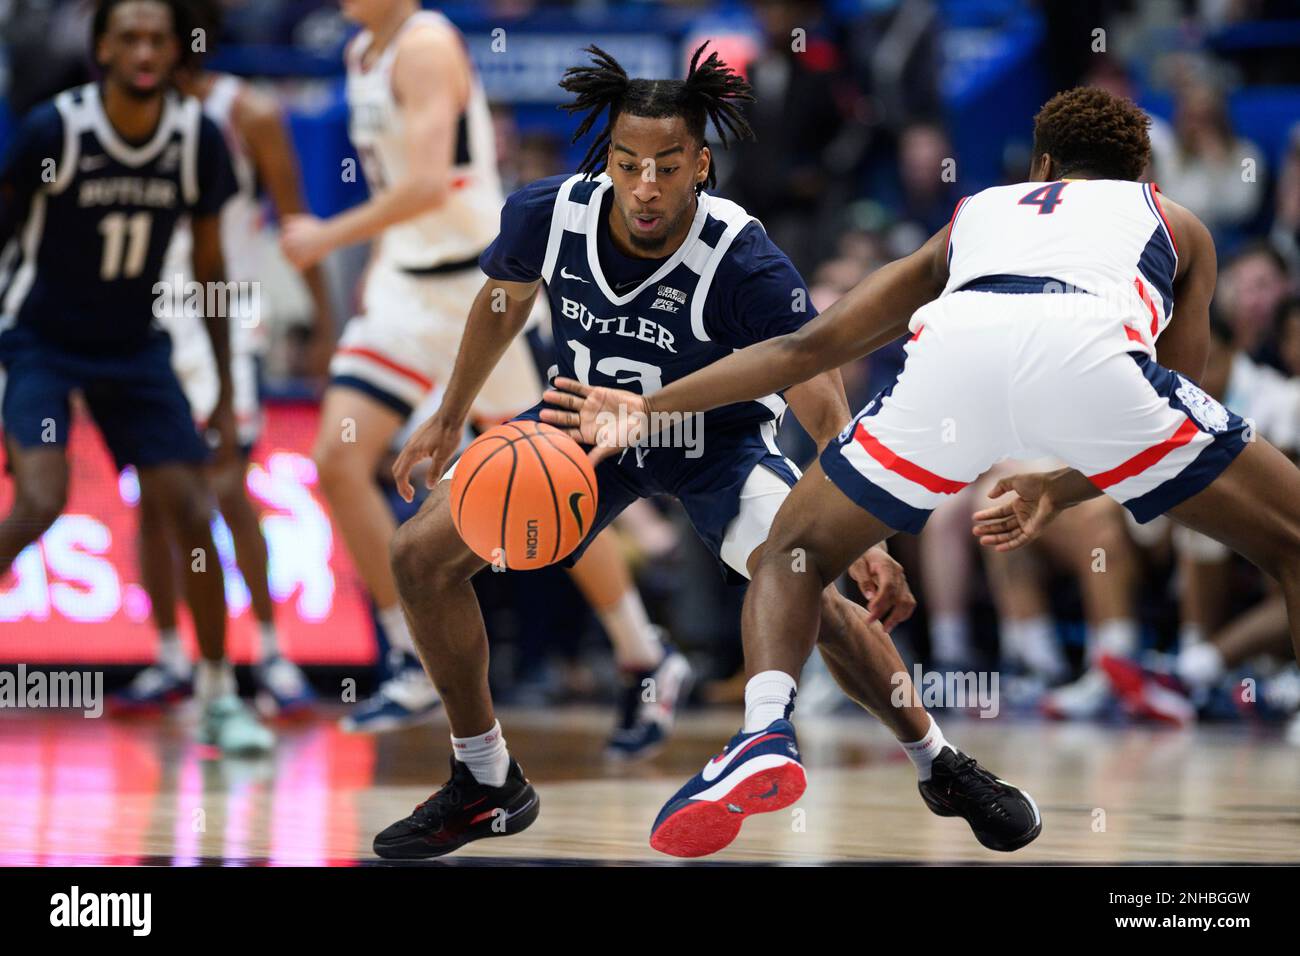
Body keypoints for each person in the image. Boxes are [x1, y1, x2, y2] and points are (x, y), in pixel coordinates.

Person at [545, 86, 1300, 855]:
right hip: (1093, 356)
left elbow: (809, 348)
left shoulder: (979, 212)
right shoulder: (1175, 222)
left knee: (791, 556)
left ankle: (764, 729)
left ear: (1041, 168)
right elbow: (1180, 401)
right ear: (1145, 179)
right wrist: (1062, 486)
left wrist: (649, 405)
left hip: (954, 364)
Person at [376, 43, 1036, 860]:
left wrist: (858, 524)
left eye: (665, 164)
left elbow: (814, 384)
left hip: (713, 440)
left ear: (699, 163)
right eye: (627, 163)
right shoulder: (548, 212)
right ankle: (486, 779)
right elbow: (503, 298)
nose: (645, 184)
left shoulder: (741, 254)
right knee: (417, 555)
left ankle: (940, 762)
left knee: (803, 583)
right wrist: (450, 416)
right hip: (585, 429)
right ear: (607, 161)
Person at [280, 0, 687, 753]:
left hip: (480, 291)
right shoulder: (360, 51)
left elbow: (431, 183)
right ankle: (409, 651)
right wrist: (374, 262)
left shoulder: (426, 45)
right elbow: (394, 184)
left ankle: (645, 652)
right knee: (337, 459)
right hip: (406, 287)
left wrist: (326, 238)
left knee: (547, 479)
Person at [0, 0, 272, 751]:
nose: (146, 50)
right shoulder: (55, 130)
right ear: (103, 50)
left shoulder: (195, 140)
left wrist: (218, 390)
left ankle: (219, 693)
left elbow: (212, 270)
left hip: (134, 346)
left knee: (190, 507)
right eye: (130, 37)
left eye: (158, 37)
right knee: (42, 500)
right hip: (41, 340)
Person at [115, 0, 331, 715]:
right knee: (154, 494)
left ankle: (270, 653)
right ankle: (170, 656)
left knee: (230, 487)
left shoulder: (250, 111)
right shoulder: (119, 116)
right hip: (145, 320)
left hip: (227, 316)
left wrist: (326, 320)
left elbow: (295, 219)